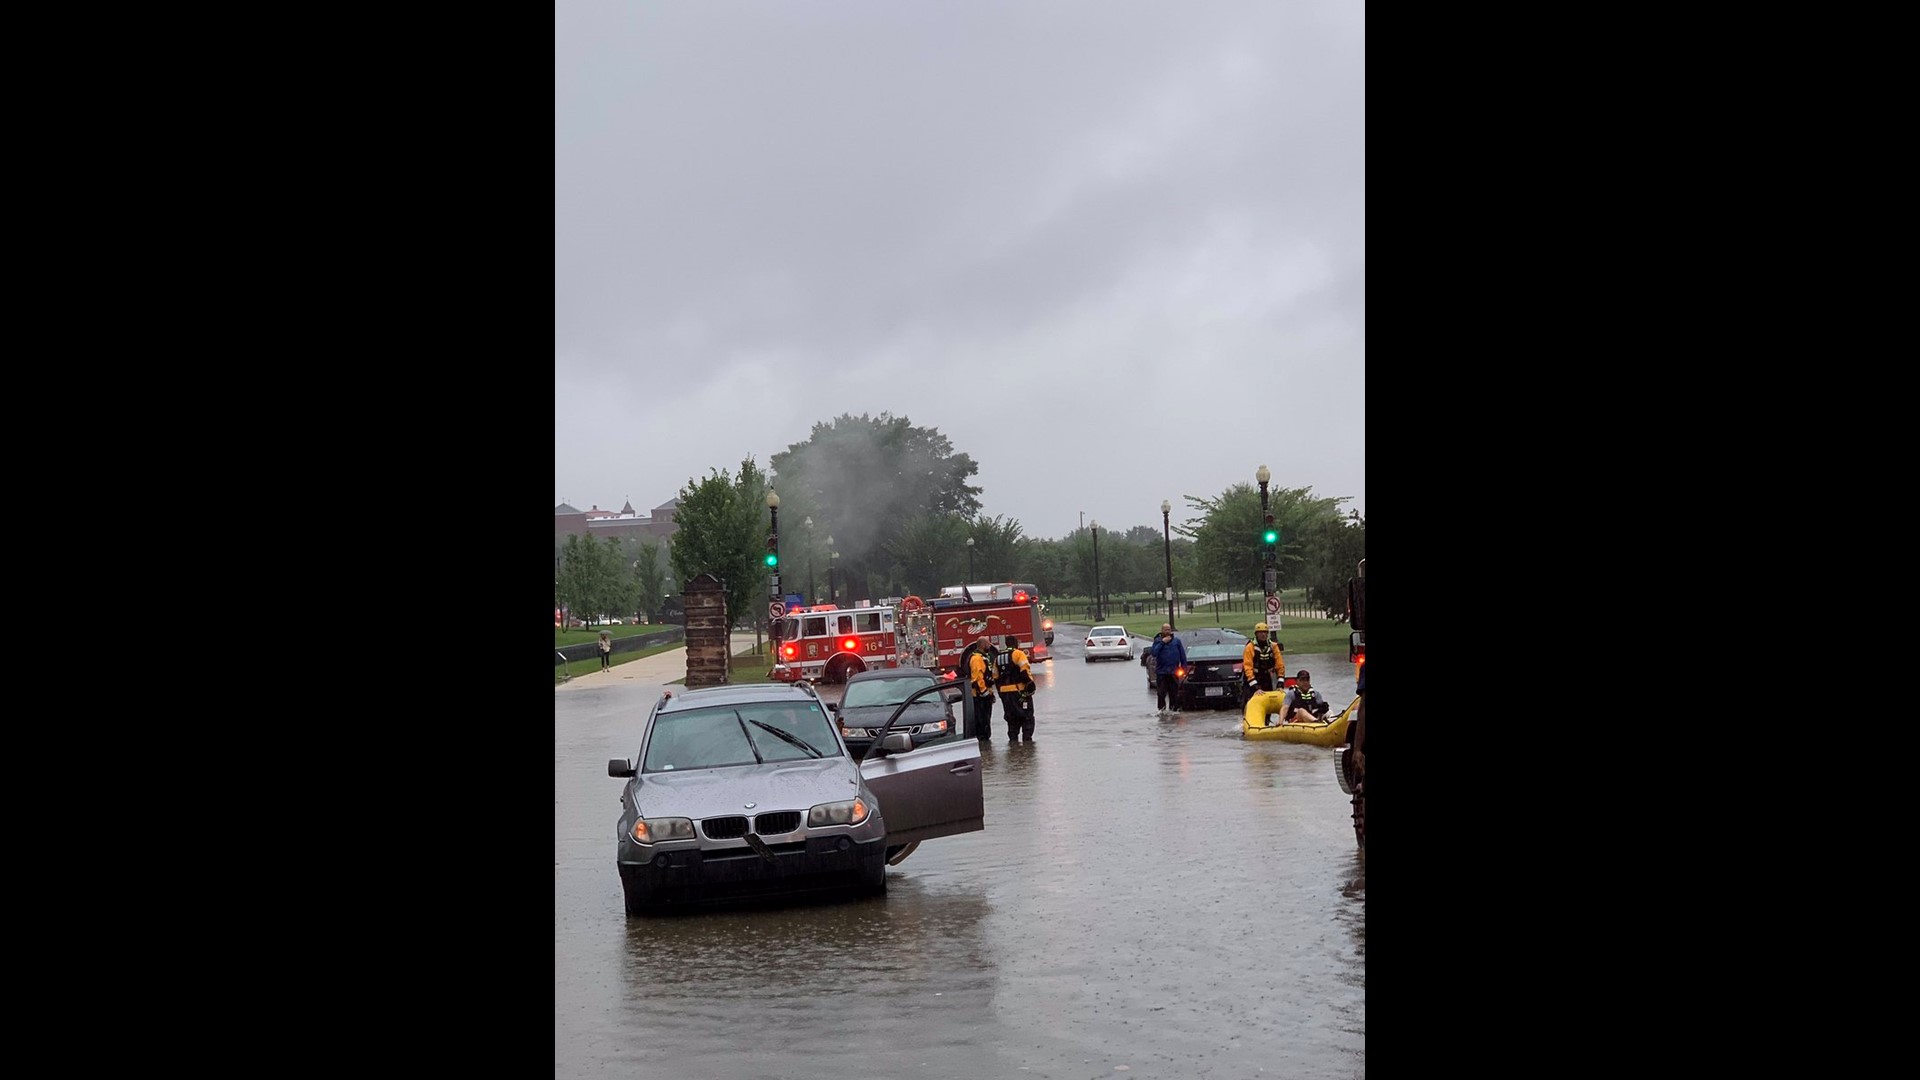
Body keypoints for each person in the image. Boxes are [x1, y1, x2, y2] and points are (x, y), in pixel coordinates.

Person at [996, 634, 1036, 742]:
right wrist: (1030, 685)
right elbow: (1024, 671)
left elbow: (995, 677)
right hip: (1019, 692)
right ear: (1016, 643)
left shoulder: (998, 657)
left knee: (1011, 719)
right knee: (1026, 717)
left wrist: (1001, 693)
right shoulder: (1018, 654)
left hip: (1005, 694)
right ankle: (1027, 745)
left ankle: (1013, 744)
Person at [1146, 624, 1187, 714]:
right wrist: (1162, 642)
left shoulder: (1177, 642)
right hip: (1162, 672)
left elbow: (1182, 656)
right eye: (1165, 630)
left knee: (1174, 693)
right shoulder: (1157, 641)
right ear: (1162, 631)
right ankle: (1161, 711)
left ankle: (1174, 711)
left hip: (1174, 672)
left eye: (1169, 630)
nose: (1167, 631)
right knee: (1161, 693)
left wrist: (1184, 668)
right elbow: (1154, 653)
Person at [965, 634, 999, 741]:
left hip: (984, 693)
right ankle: (983, 743)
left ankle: (986, 745)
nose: (990, 645)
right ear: (983, 644)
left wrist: (990, 693)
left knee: (985, 720)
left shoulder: (982, 657)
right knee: (981, 720)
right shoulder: (976, 658)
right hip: (979, 696)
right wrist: (984, 693)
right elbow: (977, 678)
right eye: (988, 643)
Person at [1241, 623, 1284, 699]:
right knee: (1249, 701)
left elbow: (1280, 665)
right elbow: (1247, 667)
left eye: (1265, 632)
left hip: (1266, 678)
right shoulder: (1250, 647)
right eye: (1260, 632)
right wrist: (1255, 687)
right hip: (1253, 678)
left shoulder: (1273, 646)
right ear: (1256, 634)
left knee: (1268, 699)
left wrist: (1280, 683)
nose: (1263, 634)